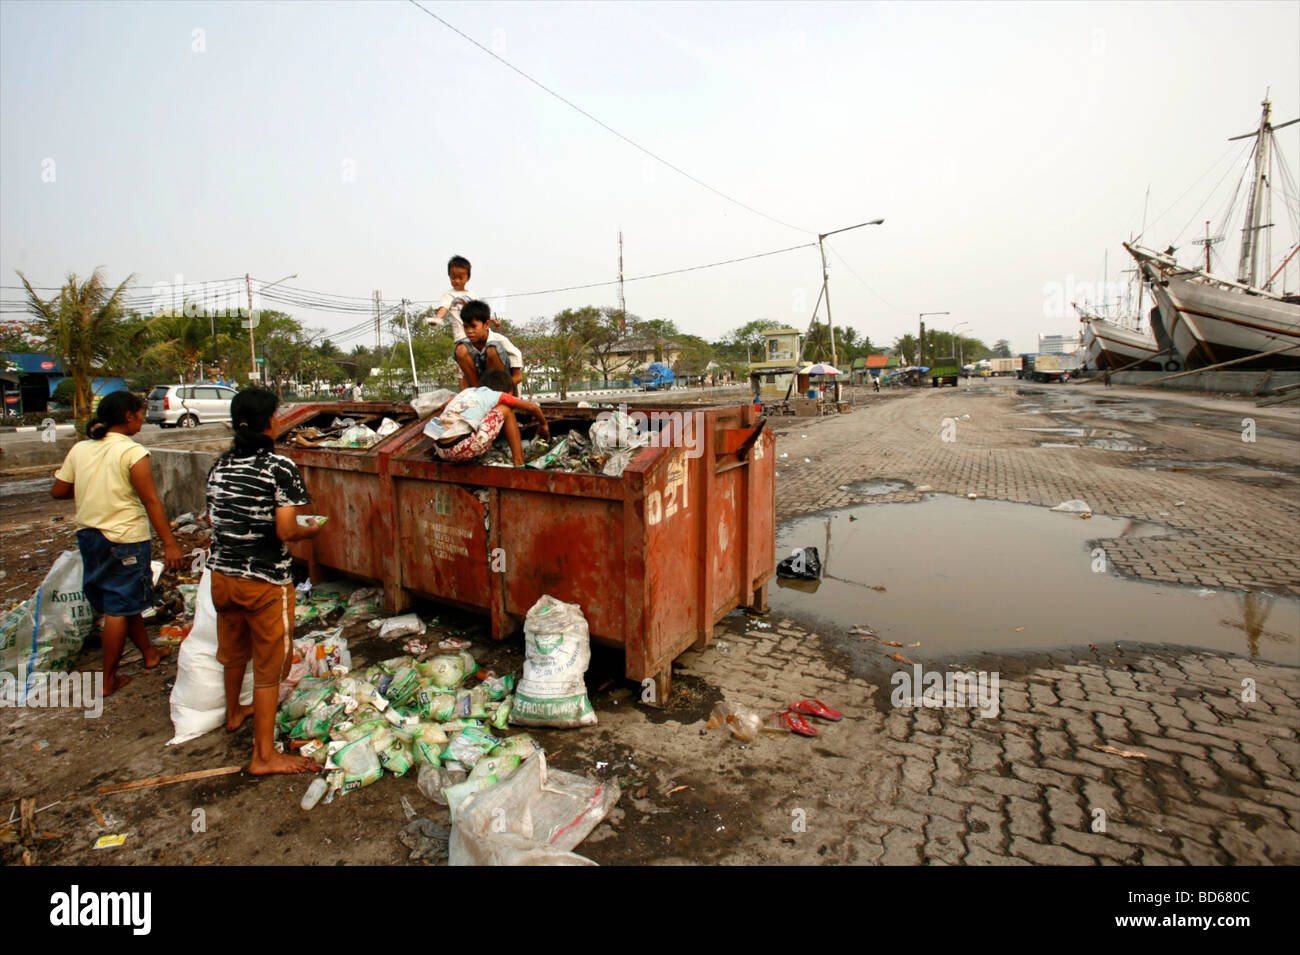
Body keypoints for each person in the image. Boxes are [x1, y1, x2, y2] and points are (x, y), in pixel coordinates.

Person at [205, 387, 324, 775]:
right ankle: (263, 756)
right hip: (265, 582)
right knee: (270, 667)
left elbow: (215, 520)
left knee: (234, 651)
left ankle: (234, 713)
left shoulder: (220, 466)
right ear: (271, 421)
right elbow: (287, 531)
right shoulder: (278, 467)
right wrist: (311, 530)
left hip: (222, 577)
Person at [50, 391, 185, 695]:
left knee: (124, 599)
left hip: (90, 536)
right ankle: (107, 679)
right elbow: (151, 501)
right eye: (141, 412)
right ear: (128, 416)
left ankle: (149, 654)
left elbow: (58, 490)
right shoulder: (132, 452)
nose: (143, 417)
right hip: (125, 538)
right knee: (117, 608)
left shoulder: (81, 449)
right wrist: (170, 543)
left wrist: (94, 487)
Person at [427, 368, 549, 466]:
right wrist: (544, 424)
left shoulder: (465, 393)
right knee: (506, 410)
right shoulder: (498, 395)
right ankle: (519, 463)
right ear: (507, 391)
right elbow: (533, 407)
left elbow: (443, 408)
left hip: (440, 449)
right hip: (460, 448)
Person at [457, 300, 524, 393]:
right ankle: (479, 394)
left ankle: (494, 395)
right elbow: (462, 376)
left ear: (487, 325)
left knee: (492, 350)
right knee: (460, 349)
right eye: (466, 327)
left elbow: (518, 377)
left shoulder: (500, 340)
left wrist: (501, 394)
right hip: (479, 390)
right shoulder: (465, 346)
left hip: (504, 389)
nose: (469, 331)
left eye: (473, 326)